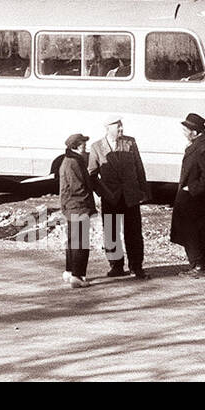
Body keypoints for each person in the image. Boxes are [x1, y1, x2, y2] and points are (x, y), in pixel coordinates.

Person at [88, 116, 151, 280]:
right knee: (111, 231)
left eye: (122, 127)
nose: (122, 130)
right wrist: (102, 192)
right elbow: (92, 175)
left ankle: (136, 266)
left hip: (131, 195)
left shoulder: (130, 142)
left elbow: (139, 168)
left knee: (134, 233)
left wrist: (144, 191)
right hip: (110, 197)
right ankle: (116, 266)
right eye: (118, 127)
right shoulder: (96, 147)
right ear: (108, 128)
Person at [171, 112, 205, 279]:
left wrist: (191, 188)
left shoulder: (202, 147)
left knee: (191, 232)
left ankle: (199, 267)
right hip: (195, 196)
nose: (184, 133)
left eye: (186, 130)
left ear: (195, 132)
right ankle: (201, 266)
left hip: (192, 197)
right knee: (197, 231)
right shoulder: (203, 142)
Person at [58, 133, 95, 288]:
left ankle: (69, 271)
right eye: (83, 144)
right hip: (78, 206)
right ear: (77, 146)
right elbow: (77, 187)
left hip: (70, 206)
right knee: (81, 242)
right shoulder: (74, 162)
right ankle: (78, 275)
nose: (85, 146)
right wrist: (89, 201)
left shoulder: (67, 160)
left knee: (73, 241)